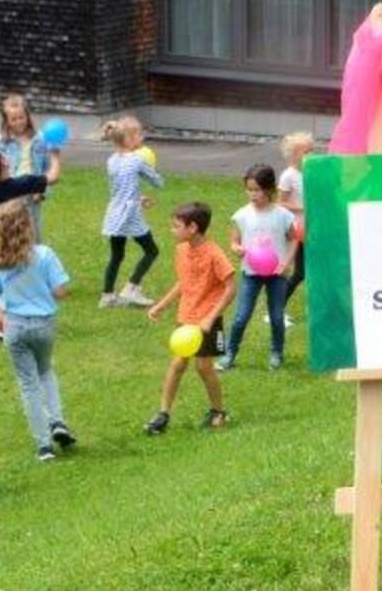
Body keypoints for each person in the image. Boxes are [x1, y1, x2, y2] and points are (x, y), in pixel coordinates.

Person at [0, 202, 76, 462]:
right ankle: (57, 420)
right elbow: (61, 290)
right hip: (43, 324)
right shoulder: (44, 254)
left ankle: (43, 445)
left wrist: (0, 315)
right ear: (27, 224)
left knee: (28, 384)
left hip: (15, 326)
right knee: (45, 371)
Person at [144, 201, 236, 434]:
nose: (172, 230)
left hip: (207, 320)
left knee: (204, 367)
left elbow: (230, 287)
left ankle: (218, 411)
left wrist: (210, 318)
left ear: (192, 227)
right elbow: (183, 283)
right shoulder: (181, 250)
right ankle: (163, 414)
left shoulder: (214, 253)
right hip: (186, 317)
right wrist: (161, 305)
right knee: (177, 364)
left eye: (176, 226)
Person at [0, 142, 63, 342]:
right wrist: (55, 154)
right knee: (27, 276)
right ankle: (30, 313)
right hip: (25, 239)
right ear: (4, 161)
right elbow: (54, 177)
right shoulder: (24, 183)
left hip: (1, 242)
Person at [221, 165, 297, 371]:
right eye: (249, 189)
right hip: (251, 273)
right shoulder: (242, 215)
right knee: (241, 316)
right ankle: (229, 353)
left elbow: (293, 240)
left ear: (270, 189)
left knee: (276, 315)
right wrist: (237, 248)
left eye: (257, 190)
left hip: (277, 274)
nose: (252, 194)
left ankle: (276, 353)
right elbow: (234, 241)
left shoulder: (283, 215)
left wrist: (286, 263)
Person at [98, 115, 163, 308]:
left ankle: (107, 296)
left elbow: (120, 189)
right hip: (130, 215)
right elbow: (158, 182)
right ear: (129, 138)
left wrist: (138, 198)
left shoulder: (111, 161)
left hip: (114, 213)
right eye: (139, 134)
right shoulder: (136, 160)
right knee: (151, 250)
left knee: (116, 255)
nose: (142, 137)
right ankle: (131, 288)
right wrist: (150, 167)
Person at [0, 94, 52, 237]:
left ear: (28, 116)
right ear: (6, 121)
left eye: (21, 117)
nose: (19, 122)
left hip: (32, 193)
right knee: (10, 235)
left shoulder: (40, 139)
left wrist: (42, 192)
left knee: (33, 234)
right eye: (14, 119)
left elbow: (47, 169)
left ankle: (34, 259)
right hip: (9, 195)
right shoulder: (0, 143)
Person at [277, 132, 312, 319]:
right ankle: (276, 308)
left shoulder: (311, 171)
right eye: (306, 151)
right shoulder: (288, 176)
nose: (310, 155)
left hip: (313, 226)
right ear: (294, 154)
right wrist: (303, 207)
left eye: (312, 150)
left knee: (315, 269)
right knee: (300, 272)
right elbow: (280, 203)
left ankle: (314, 307)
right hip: (298, 229)